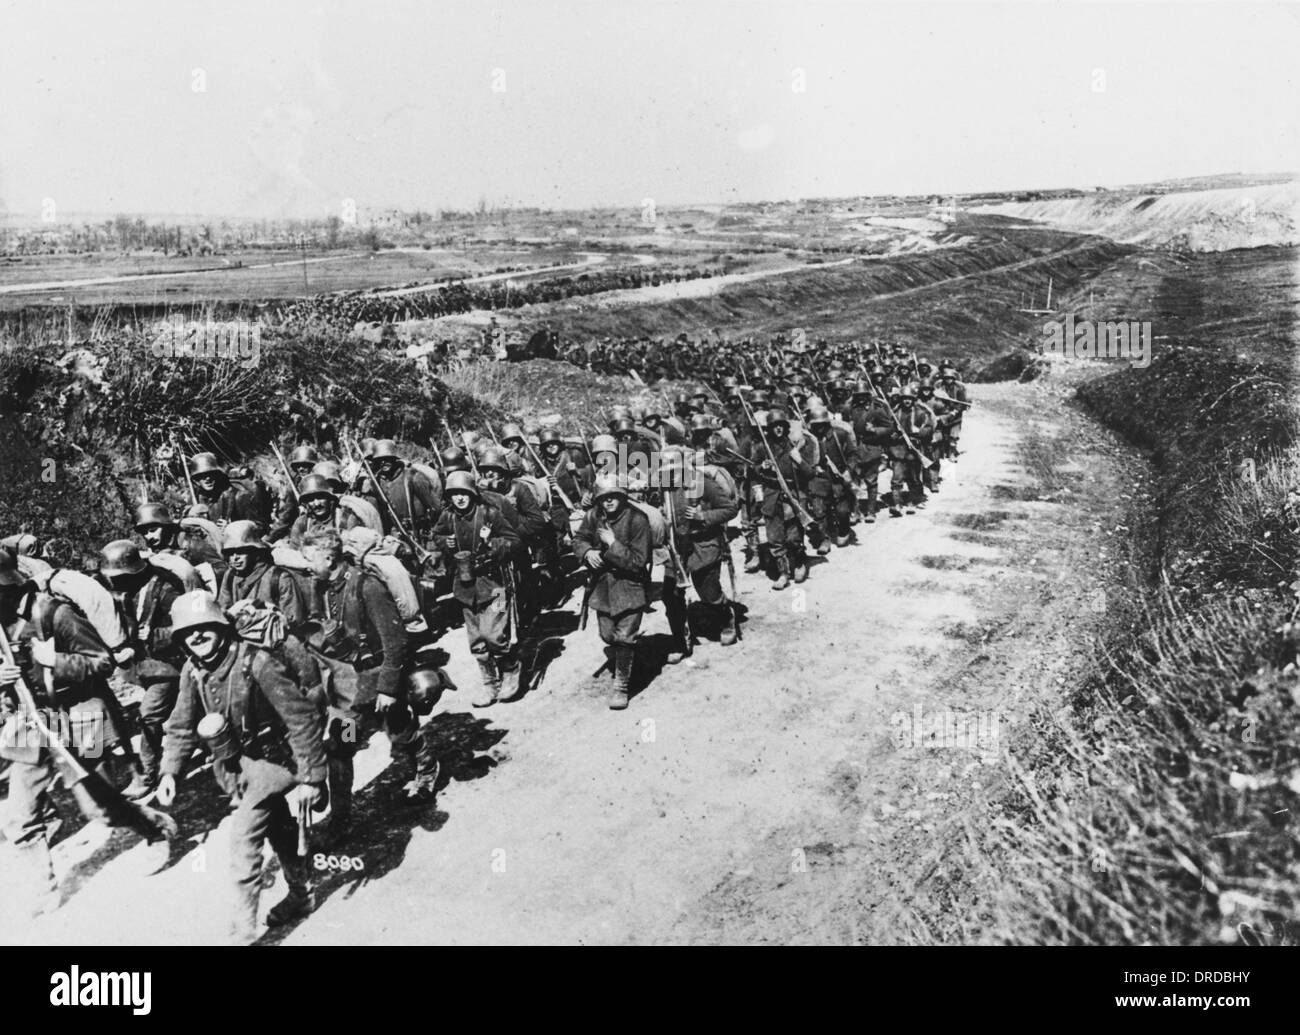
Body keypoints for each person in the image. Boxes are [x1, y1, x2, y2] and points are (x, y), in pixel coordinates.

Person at [0, 547, 176, 917]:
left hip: (80, 715)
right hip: (30, 721)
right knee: (19, 817)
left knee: (101, 809)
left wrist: (53, 661)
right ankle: (43, 891)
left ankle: (154, 827)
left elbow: (102, 662)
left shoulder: (53, 612)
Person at [158, 590, 327, 944]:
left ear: (220, 626)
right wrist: (170, 771)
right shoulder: (193, 670)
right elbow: (180, 724)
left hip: (274, 764)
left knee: (243, 845)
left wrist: (312, 776)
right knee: (280, 828)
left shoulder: (257, 663)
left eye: (204, 627)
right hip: (236, 767)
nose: (197, 636)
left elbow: (301, 718)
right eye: (188, 632)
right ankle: (302, 892)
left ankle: (243, 934)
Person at [429, 472, 522, 707]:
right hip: (465, 589)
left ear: (472, 493)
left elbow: (516, 541)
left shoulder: (490, 514)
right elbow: (435, 536)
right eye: (454, 494)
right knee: (477, 641)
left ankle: (511, 670)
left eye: (463, 493)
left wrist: (494, 546)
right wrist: (444, 542)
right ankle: (490, 685)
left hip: (497, 586)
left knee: (495, 635)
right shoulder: (448, 517)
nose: (460, 498)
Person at [571, 474, 652, 709]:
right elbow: (579, 538)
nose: (608, 502)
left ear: (622, 496)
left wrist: (612, 544)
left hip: (630, 586)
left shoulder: (638, 520)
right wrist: (586, 552)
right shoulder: (594, 516)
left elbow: (639, 561)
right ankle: (625, 659)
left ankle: (621, 686)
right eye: (604, 498)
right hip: (602, 586)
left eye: (613, 496)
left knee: (624, 637)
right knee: (608, 636)